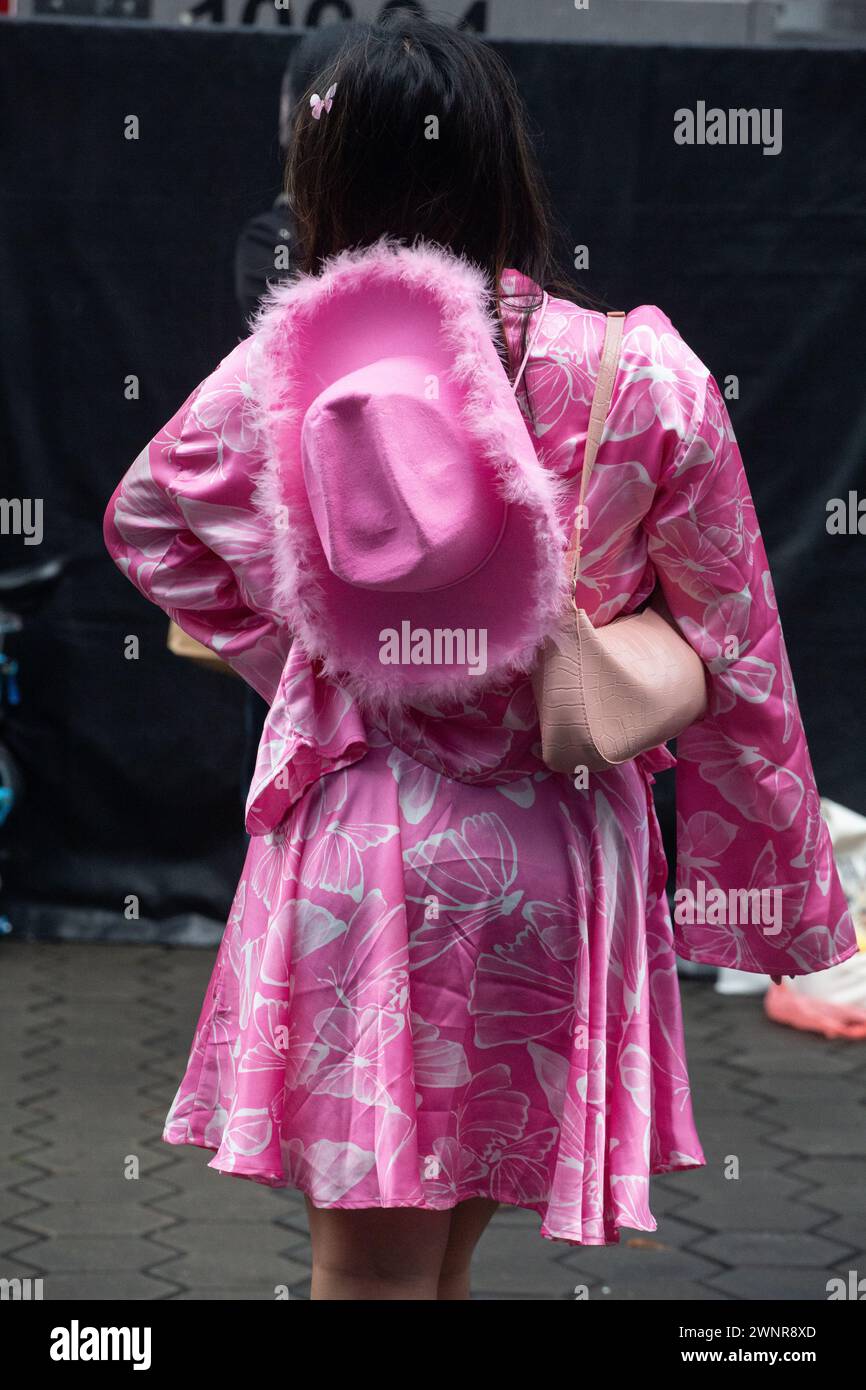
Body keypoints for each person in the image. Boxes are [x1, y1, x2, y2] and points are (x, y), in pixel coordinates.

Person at [103, 12, 857, 1301]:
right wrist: (771, 898)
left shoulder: (284, 372)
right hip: (564, 851)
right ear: (506, 166)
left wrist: (313, 659)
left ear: (323, 185)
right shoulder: (647, 371)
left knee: (366, 1272)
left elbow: (152, 523)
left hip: (377, 850)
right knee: (441, 1265)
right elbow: (736, 640)